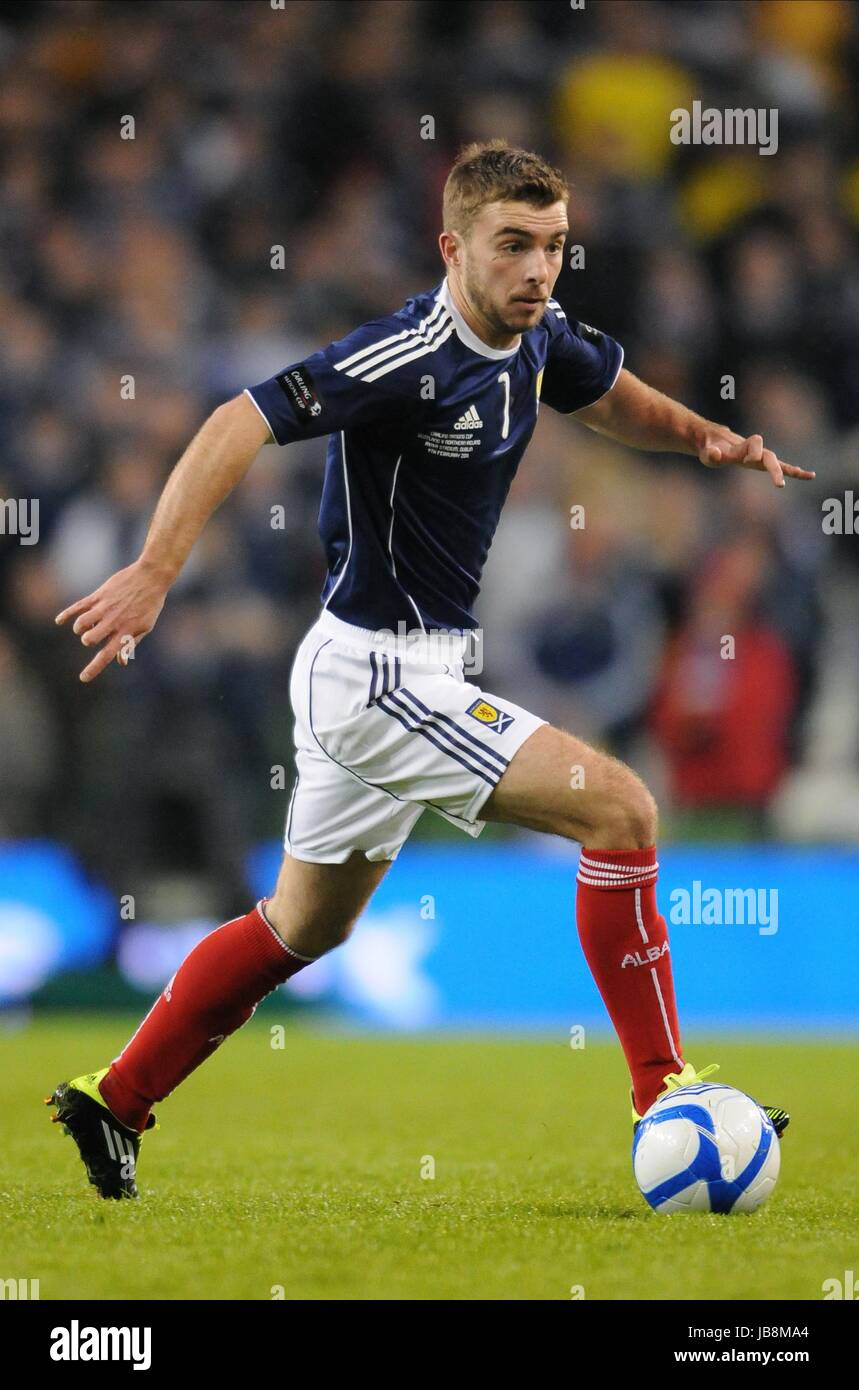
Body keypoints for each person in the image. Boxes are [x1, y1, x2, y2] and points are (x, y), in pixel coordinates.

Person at [46, 142, 804, 1199]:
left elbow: (612, 396)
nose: (538, 270)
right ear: (453, 247)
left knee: (302, 927)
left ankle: (113, 1100)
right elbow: (237, 417)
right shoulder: (404, 352)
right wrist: (155, 570)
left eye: (553, 247)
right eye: (512, 247)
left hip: (394, 672)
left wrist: (707, 439)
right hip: (381, 676)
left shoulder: (541, 338)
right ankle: (664, 1093)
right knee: (622, 810)